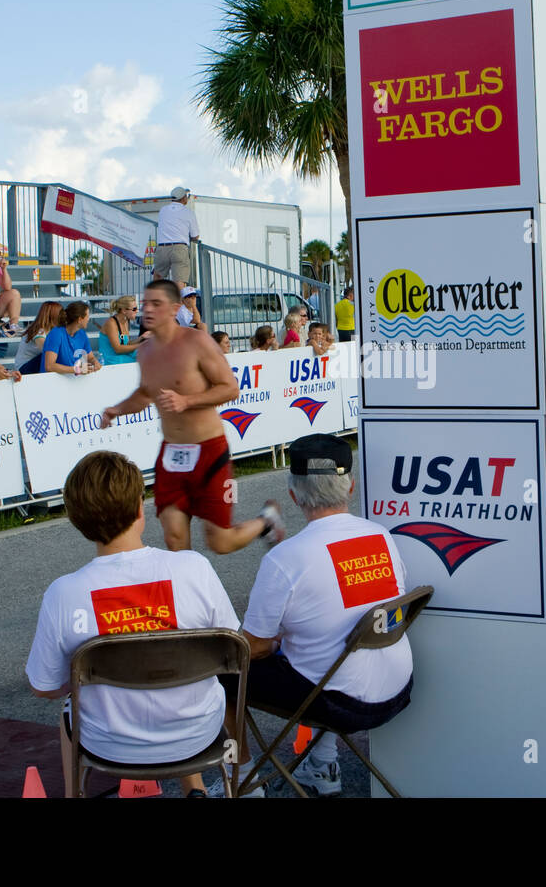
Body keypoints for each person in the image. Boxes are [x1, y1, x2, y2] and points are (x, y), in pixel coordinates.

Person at [25, 451, 240, 798]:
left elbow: (45, 687)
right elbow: (233, 650)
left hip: (110, 745)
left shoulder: (63, 594)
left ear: (77, 520)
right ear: (141, 509)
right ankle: (194, 790)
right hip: (199, 734)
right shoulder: (193, 568)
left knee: (70, 705)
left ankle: (72, 795)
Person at [233, 433, 414, 797]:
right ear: (350, 487)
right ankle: (323, 765)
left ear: (294, 495)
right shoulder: (380, 535)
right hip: (398, 686)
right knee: (327, 651)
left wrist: (279, 637)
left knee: (221, 672)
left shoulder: (286, 559)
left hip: (340, 702)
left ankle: (242, 781)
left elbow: (249, 649)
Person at [101, 279, 283, 556]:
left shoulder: (196, 341)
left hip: (208, 450)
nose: (147, 309)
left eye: (156, 304)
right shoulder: (146, 350)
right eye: (145, 303)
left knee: (219, 542)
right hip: (172, 453)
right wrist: (118, 408)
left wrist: (187, 401)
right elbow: (144, 393)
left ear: (174, 308)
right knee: (174, 540)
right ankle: (190, 596)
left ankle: (266, 521)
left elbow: (230, 388)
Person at [154, 186, 200, 289]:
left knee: (158, 276)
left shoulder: (163, 210)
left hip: (162, 248)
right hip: (179, 248)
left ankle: (156, 301)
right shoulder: (188, 212)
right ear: (184, 198)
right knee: (179, 281)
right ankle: (178, 304)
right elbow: (195, 236)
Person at [44, 301, 103, 376]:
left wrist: (95, 362)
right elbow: (49, 366)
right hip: (51, 382)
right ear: (79, 319)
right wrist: (77, 369)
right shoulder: (56, 333)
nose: (88, 319)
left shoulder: (82, 334)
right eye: (87, 316)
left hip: (70, 381)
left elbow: (90, 357)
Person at [15, 301, 64, 375]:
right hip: (23, 369)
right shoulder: (38, 330)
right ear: (53, 315)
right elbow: (45, 349)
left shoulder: (53, 331)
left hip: (34, 366)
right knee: (49, 354)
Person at [99, 296, 143, 366]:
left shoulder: (125, 321)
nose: (137, 311)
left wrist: (141, 338)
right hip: (112, 359)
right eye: (134, 309)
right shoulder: (111, 323)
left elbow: (127, 343)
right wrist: (141, 345)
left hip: (121, 356)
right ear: (124, 311)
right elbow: (118, 349)